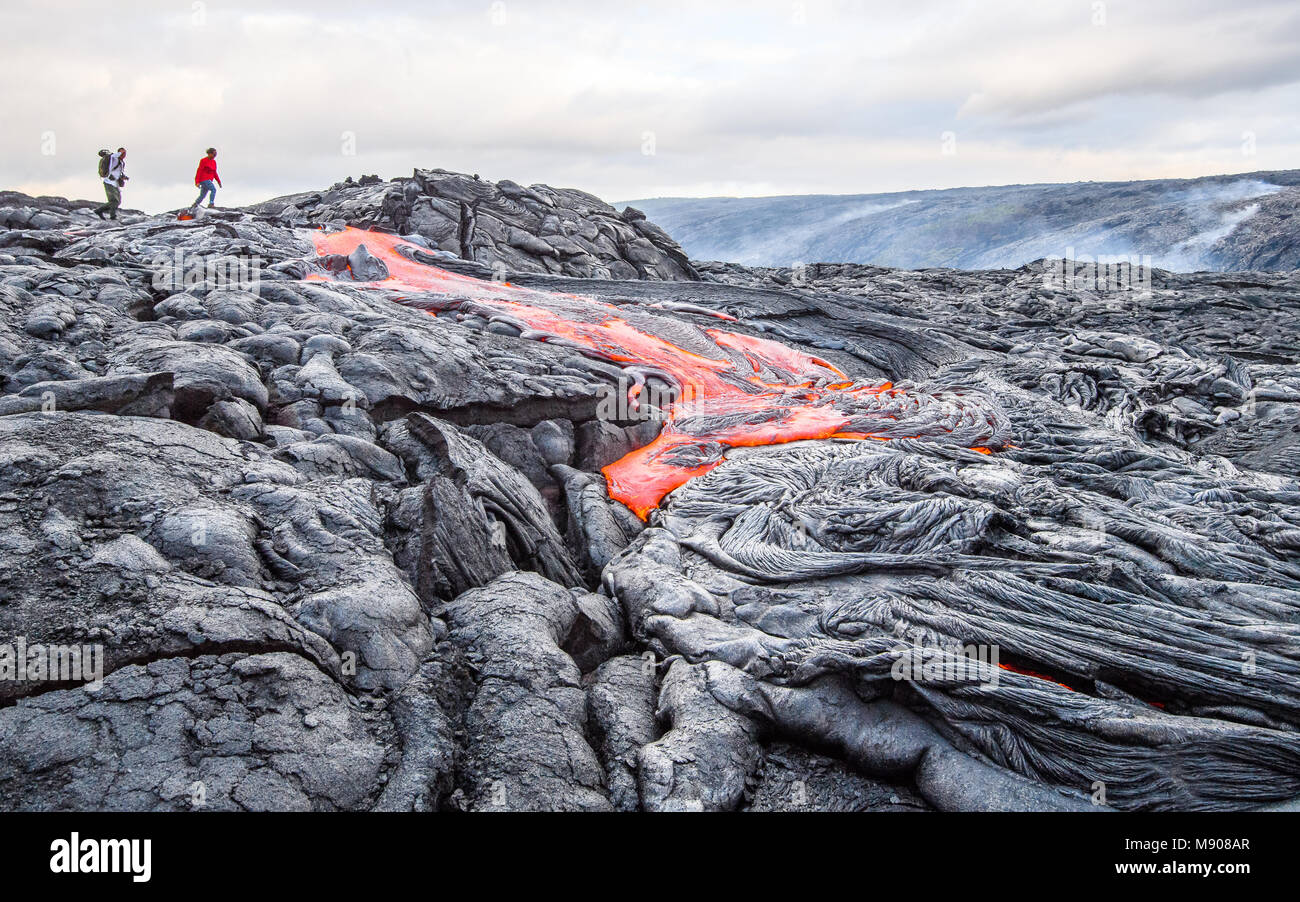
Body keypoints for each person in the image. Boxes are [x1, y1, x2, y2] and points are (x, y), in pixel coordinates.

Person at [95, 147, 127, 220]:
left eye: (125, 153)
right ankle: (112, 216)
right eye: (122, 153)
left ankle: (99, 210)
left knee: (118, 202)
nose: (124, 155)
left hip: (116, 183)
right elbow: (113, 155)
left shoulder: (122, 163)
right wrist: (120, 153)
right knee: (114, 201)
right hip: (108, 181)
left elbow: (118, 173)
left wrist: (123, 177)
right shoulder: (113, 158)